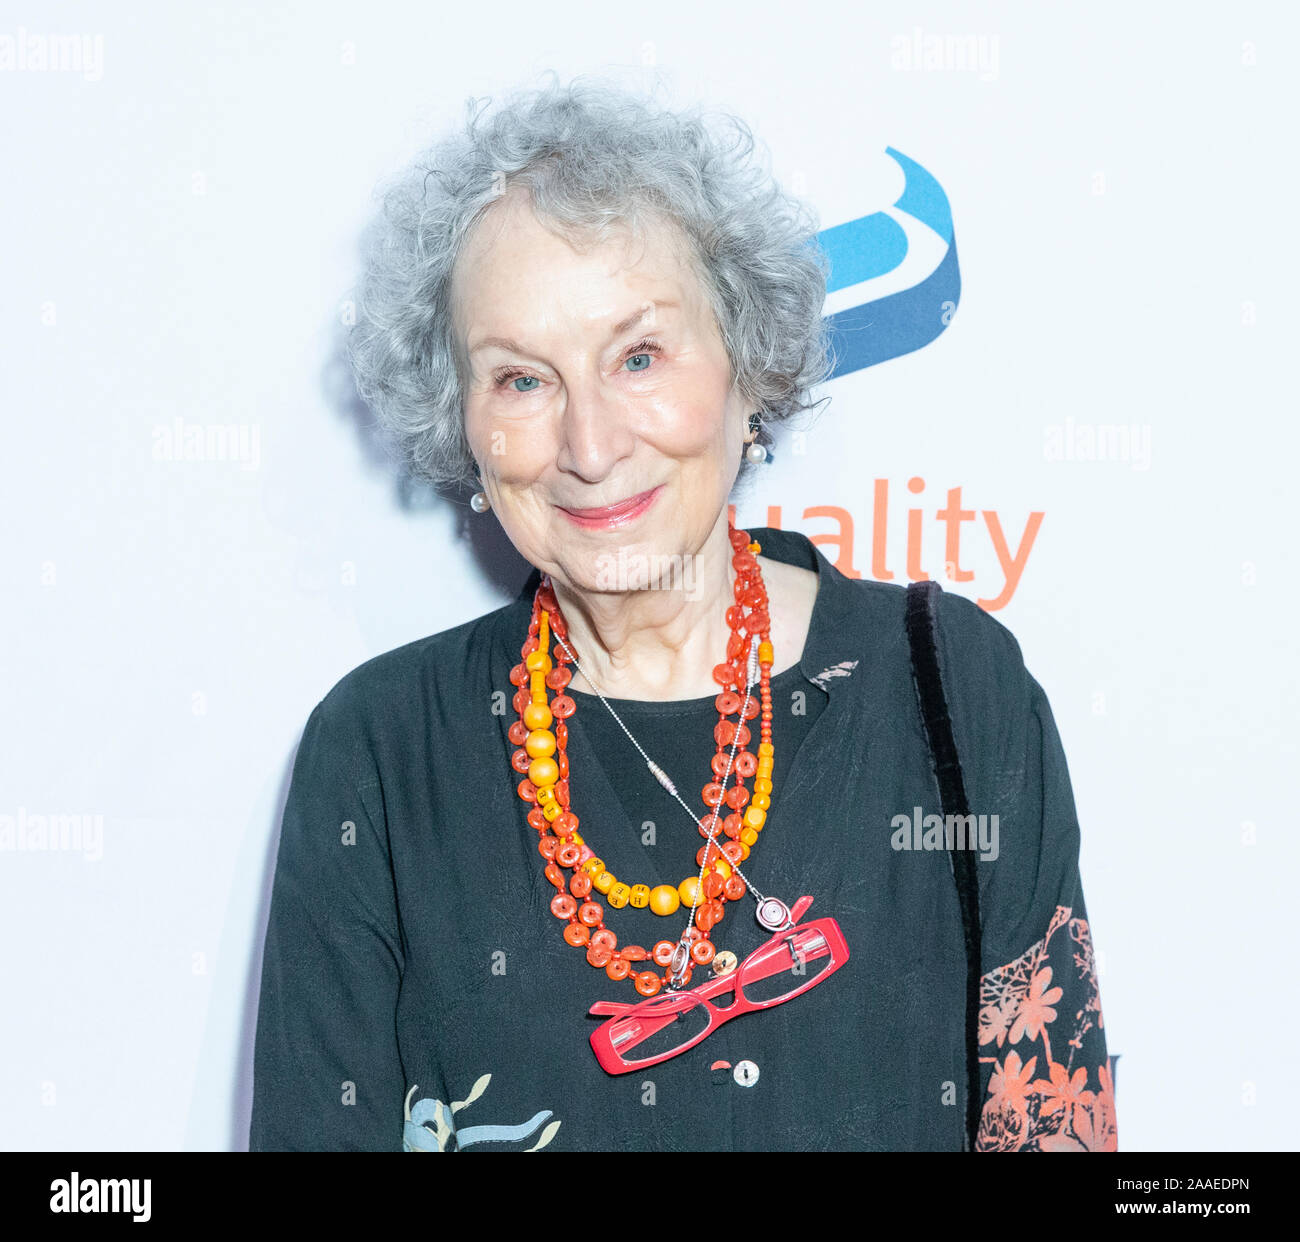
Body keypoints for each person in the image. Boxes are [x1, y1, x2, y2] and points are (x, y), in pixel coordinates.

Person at [249, 75, 1115, 1152]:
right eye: (521, 380)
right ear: (463, 422)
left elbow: (1056, 1129)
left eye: (640, 357)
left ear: (747, 367)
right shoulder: (377, 752)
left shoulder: (952, 689)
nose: (590, 445)